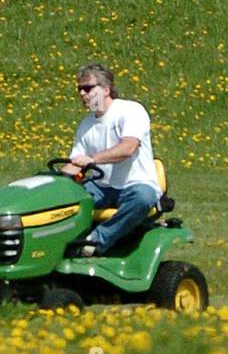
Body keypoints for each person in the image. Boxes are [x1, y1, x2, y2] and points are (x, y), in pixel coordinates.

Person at [65, 63, 162, 257]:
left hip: (136, 184)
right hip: (102, 186)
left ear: (106, 89)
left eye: (88, 88)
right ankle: (60, 245)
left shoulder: (131, 111)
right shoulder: (86, 125)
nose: (82, 94)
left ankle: (94, 242)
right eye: (79, 89)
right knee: (63, 200)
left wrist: (92, 159)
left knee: (142, 200)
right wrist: (51, 182)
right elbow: (75, 165)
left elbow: (127, 148)